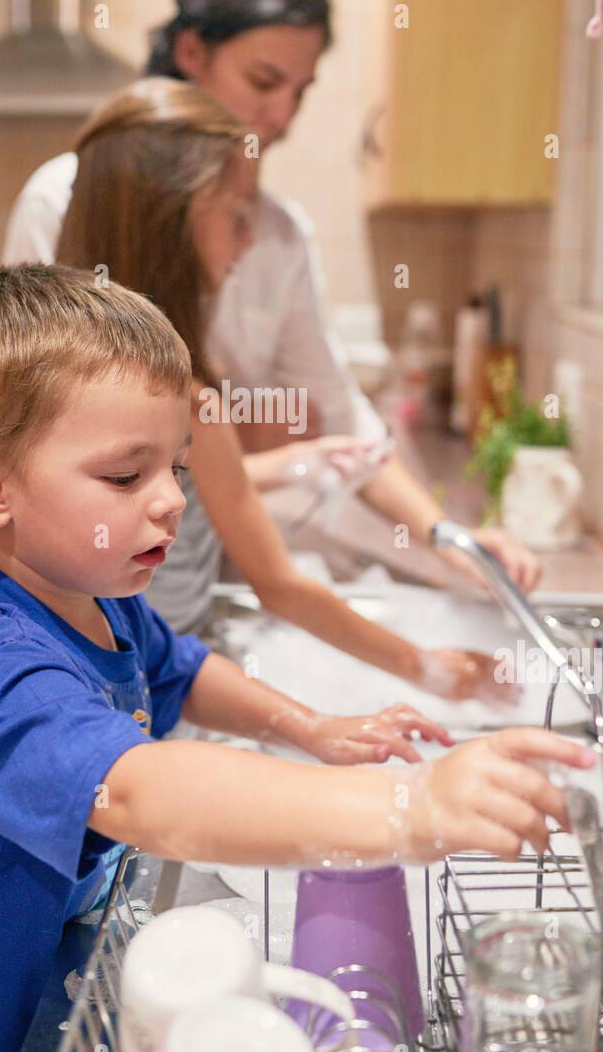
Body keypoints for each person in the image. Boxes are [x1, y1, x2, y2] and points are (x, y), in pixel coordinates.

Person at [0, 264, 593, 1052]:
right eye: (126, 475)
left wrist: (315, 728)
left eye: (176, 466)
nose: (170, 500)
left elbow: (183, 670)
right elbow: (136, 793)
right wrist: (410, 806)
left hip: (53, 1012)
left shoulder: (100, 597)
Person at [3, 0, 540, 595]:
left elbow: (342, 421)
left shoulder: (280, 238)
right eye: (263, 82)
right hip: (66, 589)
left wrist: (447, 536)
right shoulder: (60, 202)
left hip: (193, 582)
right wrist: (279, 466)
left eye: (300, 91)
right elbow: (40, 440)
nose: (282, 117)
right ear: (192, 53)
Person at [56, 77, 514, 704]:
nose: (249, 239)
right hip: (142, 692)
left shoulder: (59, 367)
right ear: (172, 220)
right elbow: (282, 586)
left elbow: (174, 483)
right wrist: (429, 668)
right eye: (237, 215)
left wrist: (299, 463)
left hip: (83, 683)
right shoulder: (183, 392)